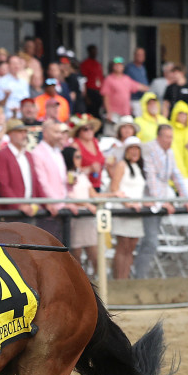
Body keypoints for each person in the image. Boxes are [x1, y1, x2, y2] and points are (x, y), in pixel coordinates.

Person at [134, 124, 188, 278]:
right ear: (159, 137)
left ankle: (140, 276)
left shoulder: (169, 152)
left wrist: (186, 199)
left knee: (149, 243)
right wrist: (160, 201)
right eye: (167, 137)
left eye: (171, 137)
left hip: (159, 203)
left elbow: (176, 176)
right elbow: (151, 178)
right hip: (147, 202)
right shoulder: (149, 149)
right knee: (149, 242)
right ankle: (138, 278)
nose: (169, 140)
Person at [106, 136, 147, 280]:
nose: (135, 152)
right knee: (123, 246)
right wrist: (127, 204)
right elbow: (115, 188)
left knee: (131, 247)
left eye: (137, 149)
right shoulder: (122, 165)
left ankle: (125, 279)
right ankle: (119, 280)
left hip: (136, 211)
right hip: (124, 210)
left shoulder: (139, 167)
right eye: (131, 149)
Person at [63, 145, 98, 275]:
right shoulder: (65, 175)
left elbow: (94, 194)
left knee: (95, 255)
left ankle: (96, 281)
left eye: (80, 157)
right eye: (77, 157)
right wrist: (87, 205)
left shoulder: (82, 175)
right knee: (76, 256)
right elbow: (68, 196)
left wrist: (115, 194)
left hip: (87, 219)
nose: (80, 160)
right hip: (75, 218)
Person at [0, 118, 38, 215]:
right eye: (19, 132)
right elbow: (3, 185)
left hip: (29, 209)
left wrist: (42, 203)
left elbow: (35, 182)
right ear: (10, 134)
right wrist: (19, 206)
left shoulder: (28, 155)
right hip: (12, 213)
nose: (24, 135)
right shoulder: (2, 155)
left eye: (25, 132)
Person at [71, 114, 106, 190]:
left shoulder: (95, 141)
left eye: (91, 128)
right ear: (78, 132)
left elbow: (102, 161)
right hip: (83, 185)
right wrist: (89, 169)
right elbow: (73, 170)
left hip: (97, 184)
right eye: (85, 129)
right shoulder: (75, 146)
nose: (89, 131)